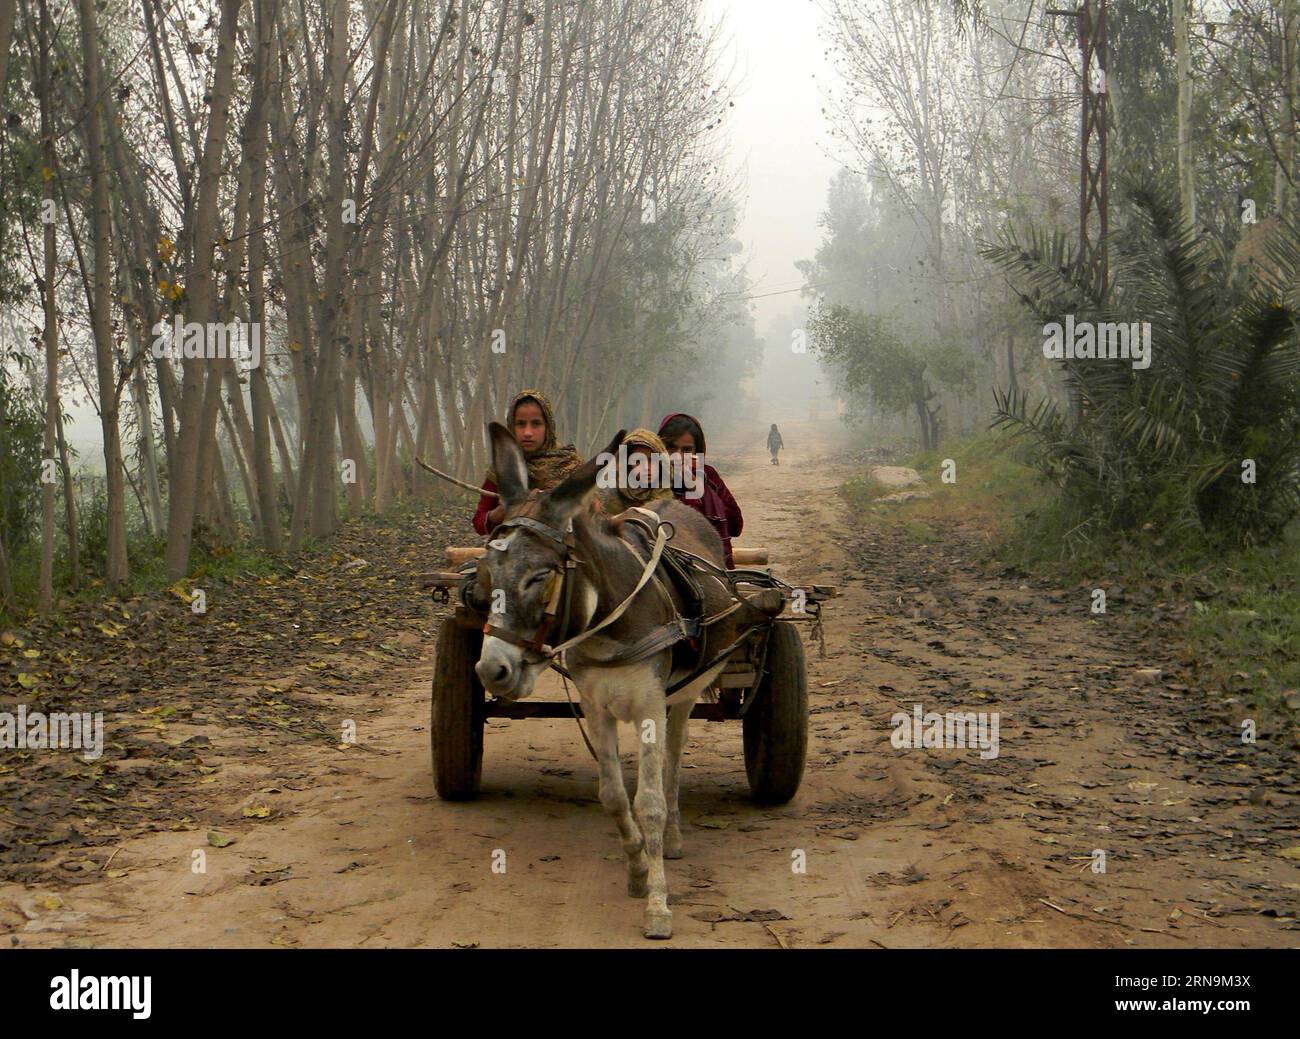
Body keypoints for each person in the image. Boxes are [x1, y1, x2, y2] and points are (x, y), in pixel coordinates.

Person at [472, 389, 583, 536]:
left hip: (561, 551)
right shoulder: (504, 468)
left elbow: (594, 516)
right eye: (521, 424)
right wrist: (498, 513)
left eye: (536, 424)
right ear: (512, 426)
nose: (528, 432)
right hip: (511, 549)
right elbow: (479, 522)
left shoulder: (570, 465)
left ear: (548, 427)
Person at [657, 412, 743, 568]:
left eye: (687, 450)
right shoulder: (650, 479)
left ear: (697, 451)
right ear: (659, 448)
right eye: (671, 448)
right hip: (664, 569)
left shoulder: (708, 477)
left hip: (712, 569)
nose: (678, 456)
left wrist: (697, 489)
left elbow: (735, 526)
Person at [597, 428, 675, 515]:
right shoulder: (608, 495)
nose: (646, 468)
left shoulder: (667, 500)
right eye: (638, 461)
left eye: (652, 460)